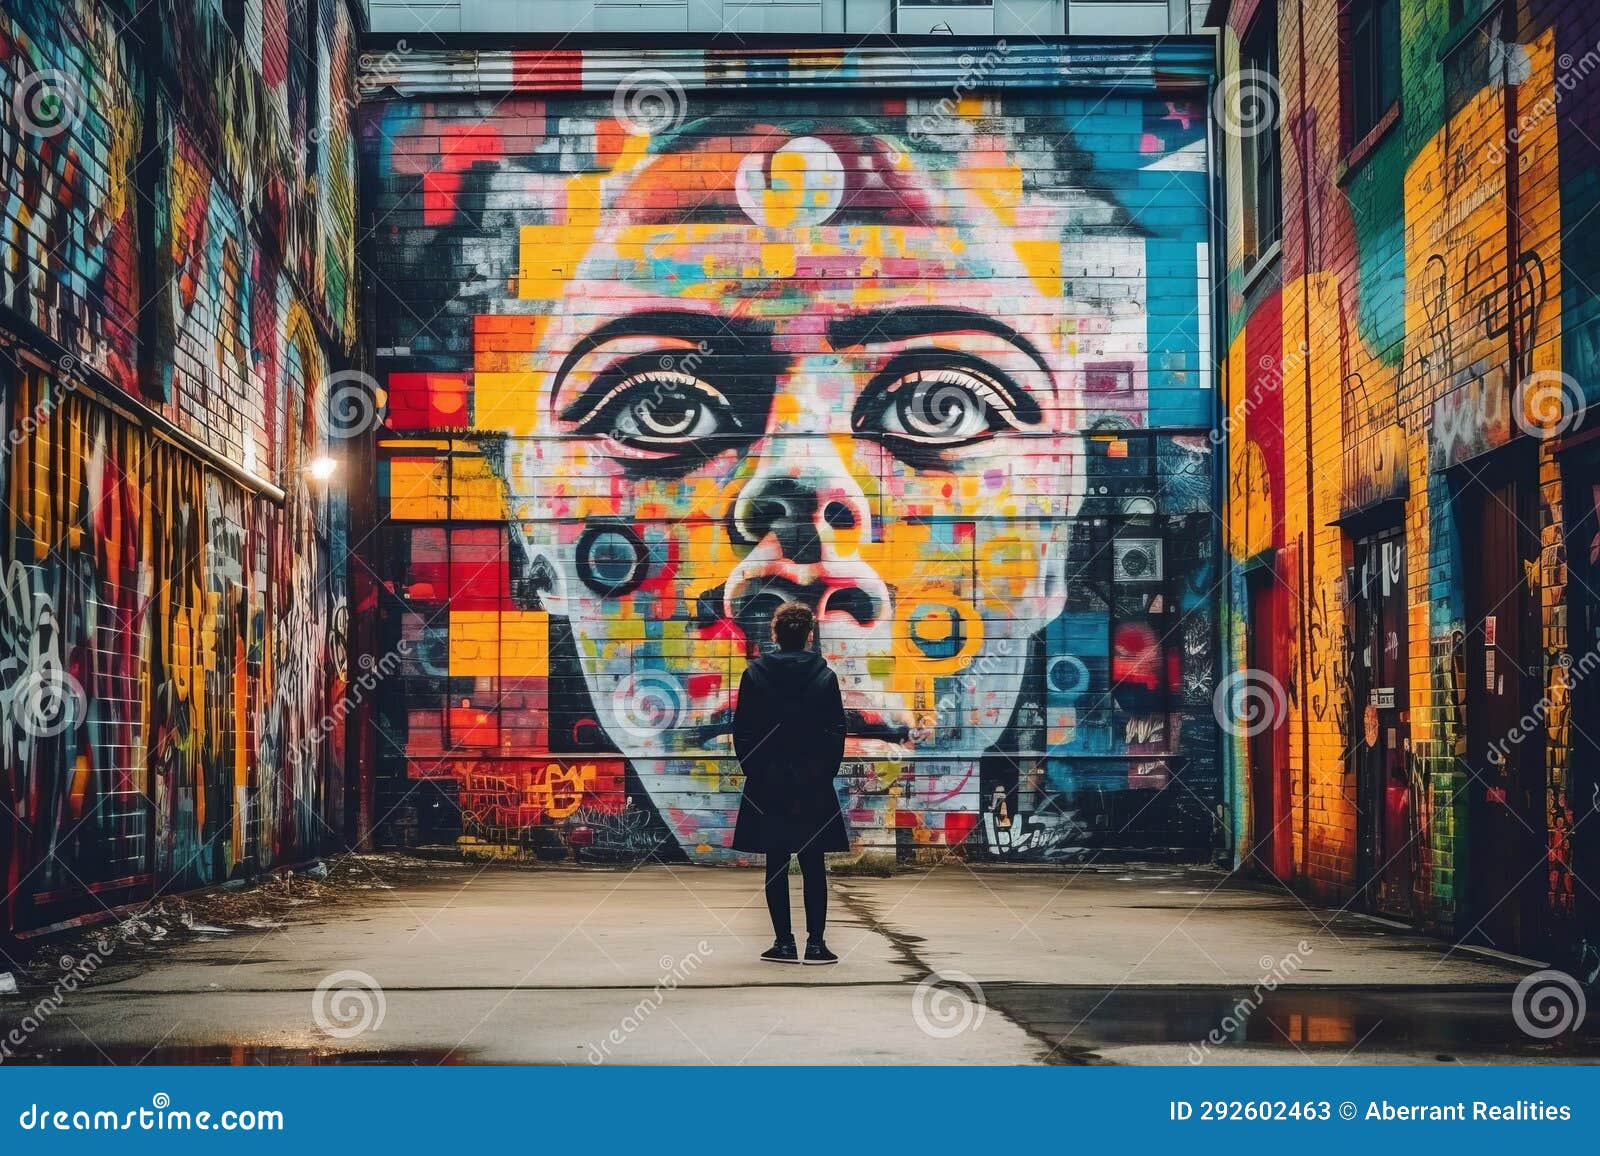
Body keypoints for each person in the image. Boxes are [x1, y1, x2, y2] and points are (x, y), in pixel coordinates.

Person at [730, 601, 848, 963]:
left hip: (769, 781)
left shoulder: (755, 675)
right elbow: (837, 731)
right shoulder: (825, 677)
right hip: (813, 782)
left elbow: (742, 731)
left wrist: (756, 769)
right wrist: (824, 771)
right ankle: (816, 945)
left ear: (775, 634)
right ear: (808, 634)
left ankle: (784, 943)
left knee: (776, 862)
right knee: (814, 864)